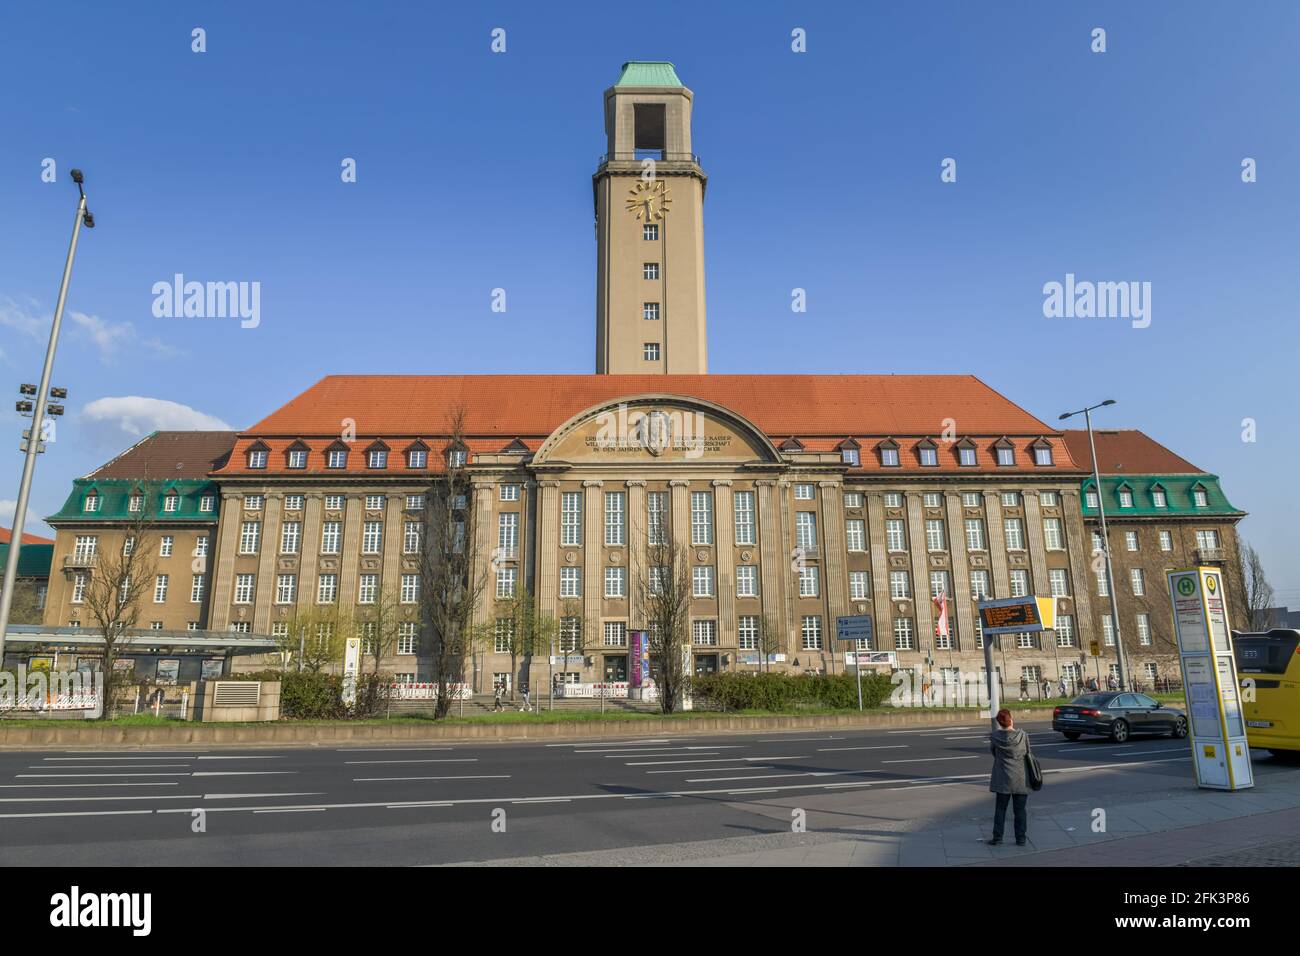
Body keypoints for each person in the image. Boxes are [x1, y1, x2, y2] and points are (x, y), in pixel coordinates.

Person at [988, 708, 1032, 846]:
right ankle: (1021, 839)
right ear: (1011, 719)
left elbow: (993, 753)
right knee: (1020, 811)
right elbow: (1028, 753)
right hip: (1020, 778)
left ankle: (998, 837)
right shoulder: (1022, 736)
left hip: (1002, 779)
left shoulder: (995, 737)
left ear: (1000, 723)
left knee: (1000, 809)